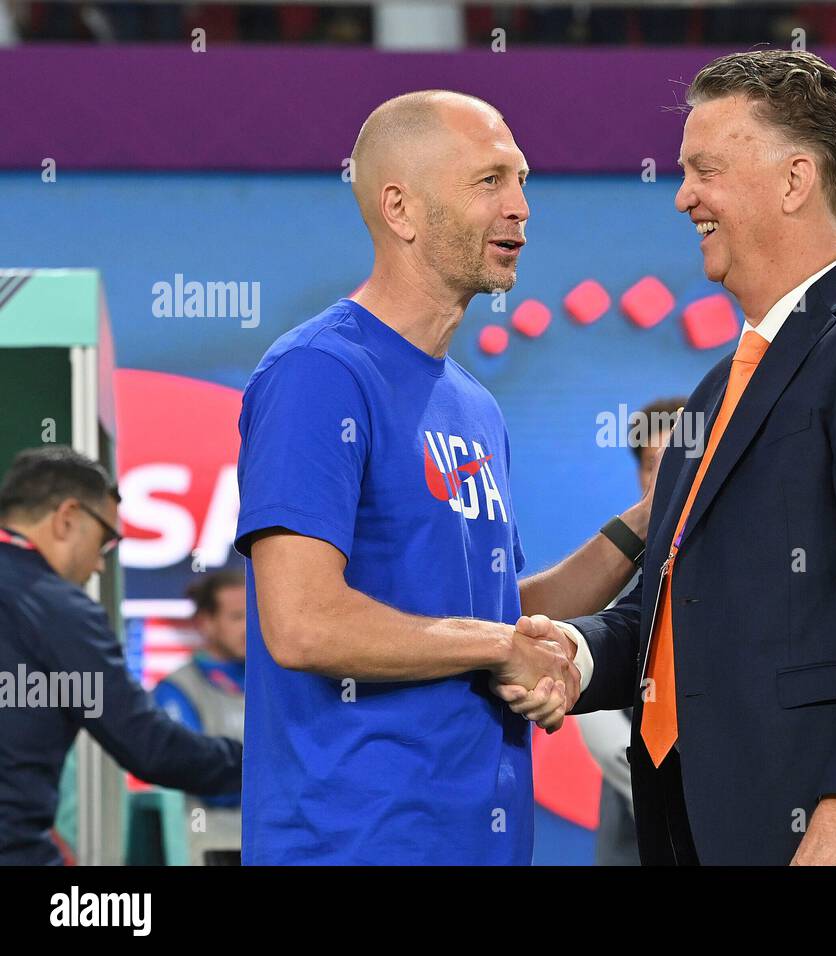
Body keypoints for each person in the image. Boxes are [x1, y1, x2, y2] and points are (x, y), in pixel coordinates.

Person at [498, 50, 836, 865]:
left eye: (705, 170)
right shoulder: (719, 388)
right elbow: (689, 617)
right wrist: (580, 655)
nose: (684, 196)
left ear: (795, 181)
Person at [235, 90, 652, 865]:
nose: (521, 207)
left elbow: (487, 614)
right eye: (489, 180)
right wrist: (502, 644)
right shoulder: (318, 374)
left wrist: (647, 524)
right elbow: (302, 623)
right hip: (352, 845)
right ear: (401, 208)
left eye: (523, 180)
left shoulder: (474, 405)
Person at [0, 446, 242, 865]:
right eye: (105, 541)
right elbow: (150, 748)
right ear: (68, 518)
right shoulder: (57, 609)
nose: (98, 565)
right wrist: (266, 761)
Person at [577, 396, 686, 866]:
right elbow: (599, 726)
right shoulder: (608, 577)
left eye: (679, 457)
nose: (663, 475)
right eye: (652, 463)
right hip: (636, 839)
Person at [153, 570, 247, 863]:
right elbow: (199, 775)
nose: (250, 627)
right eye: (237, 617)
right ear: (206, 623)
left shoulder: (276, 683)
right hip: (211, 850)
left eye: (255, 615)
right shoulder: (175, 689)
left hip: (273, 846)